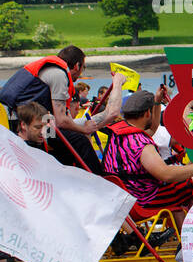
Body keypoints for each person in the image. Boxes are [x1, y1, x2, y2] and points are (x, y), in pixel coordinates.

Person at [0, 46, 125, 174]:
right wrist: (84, 130)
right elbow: (61, 121)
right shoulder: (59, 74)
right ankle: (100, 181)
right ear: (77, 65)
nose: (81, 73)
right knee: (79, 141)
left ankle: (70, 175)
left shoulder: (50, 69)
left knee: (67, 142)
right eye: (83, 68)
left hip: (20, 119)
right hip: (19, 123)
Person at [102, 90, 193, 210]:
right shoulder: (140, 143)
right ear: (147, 113)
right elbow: (166, 174)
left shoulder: (118, 132)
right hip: (143, 200)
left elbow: (152, 129)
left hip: (123, 196)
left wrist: (156, 102)